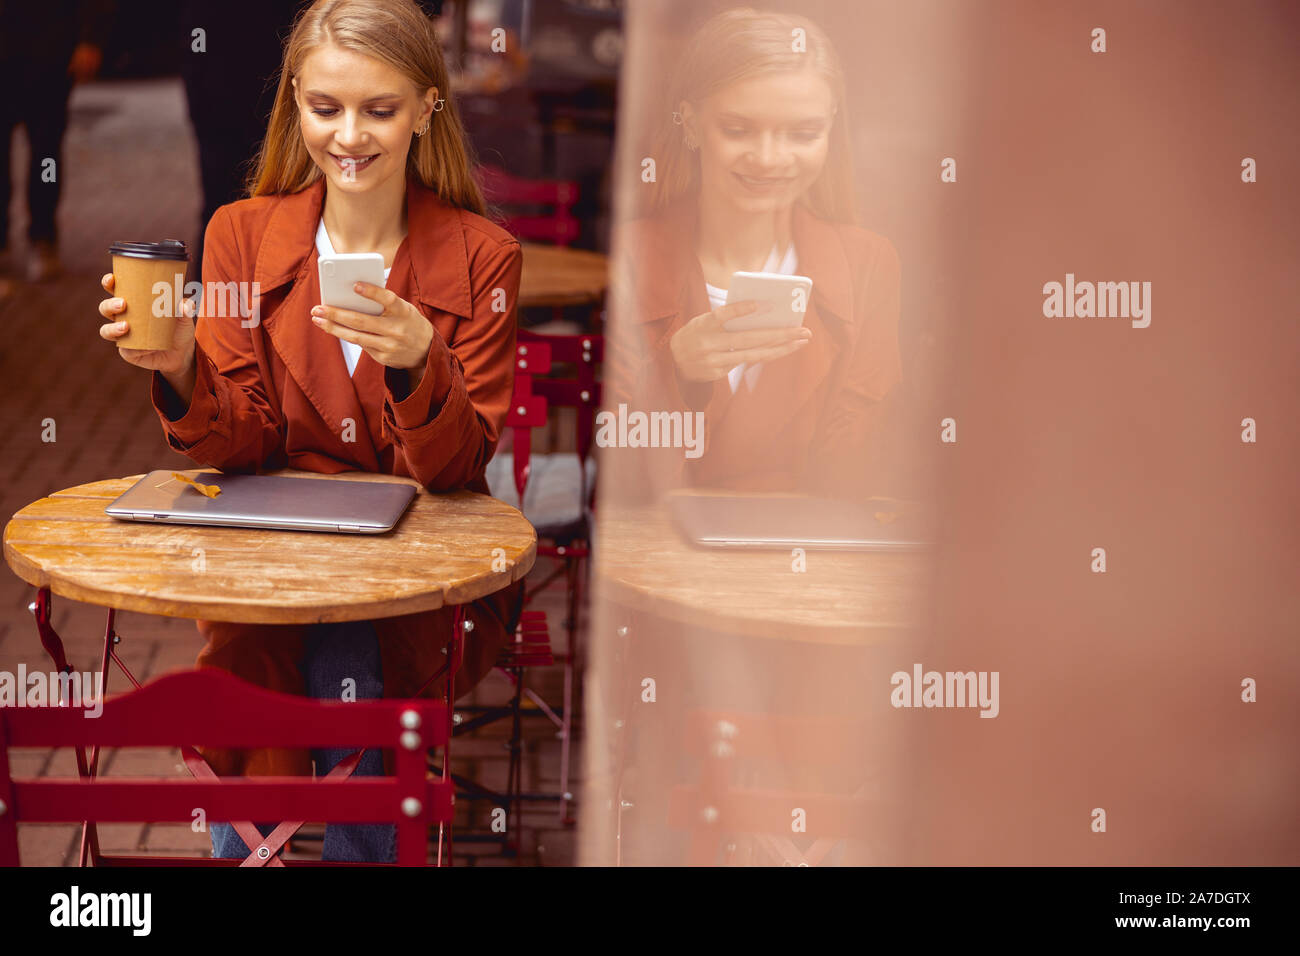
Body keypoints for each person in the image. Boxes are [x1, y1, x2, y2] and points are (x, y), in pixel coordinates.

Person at [97, 0, 523, 862]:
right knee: (277, 661)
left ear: (427, 108)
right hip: (272, 568)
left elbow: (458, 470)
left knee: (347, 670)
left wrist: (417, 365)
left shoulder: (483, 257)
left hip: (416, 583)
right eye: (325, 107)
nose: (349, 136)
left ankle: (297, 848)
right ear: (294, 101)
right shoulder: (240, 235)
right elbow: (243, 440)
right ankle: (264, 849)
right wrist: (180, 367)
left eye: (380, 108)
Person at [605, 7, 902, 502]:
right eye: (738, 130)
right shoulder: (632, 256)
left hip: (805, 556)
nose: (768, 159)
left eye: (802, 134)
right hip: (659, 555)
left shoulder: (869, 263)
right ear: (692, 125)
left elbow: (858, 471)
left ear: (830, 128)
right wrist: (672, 371)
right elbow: (619, 489)